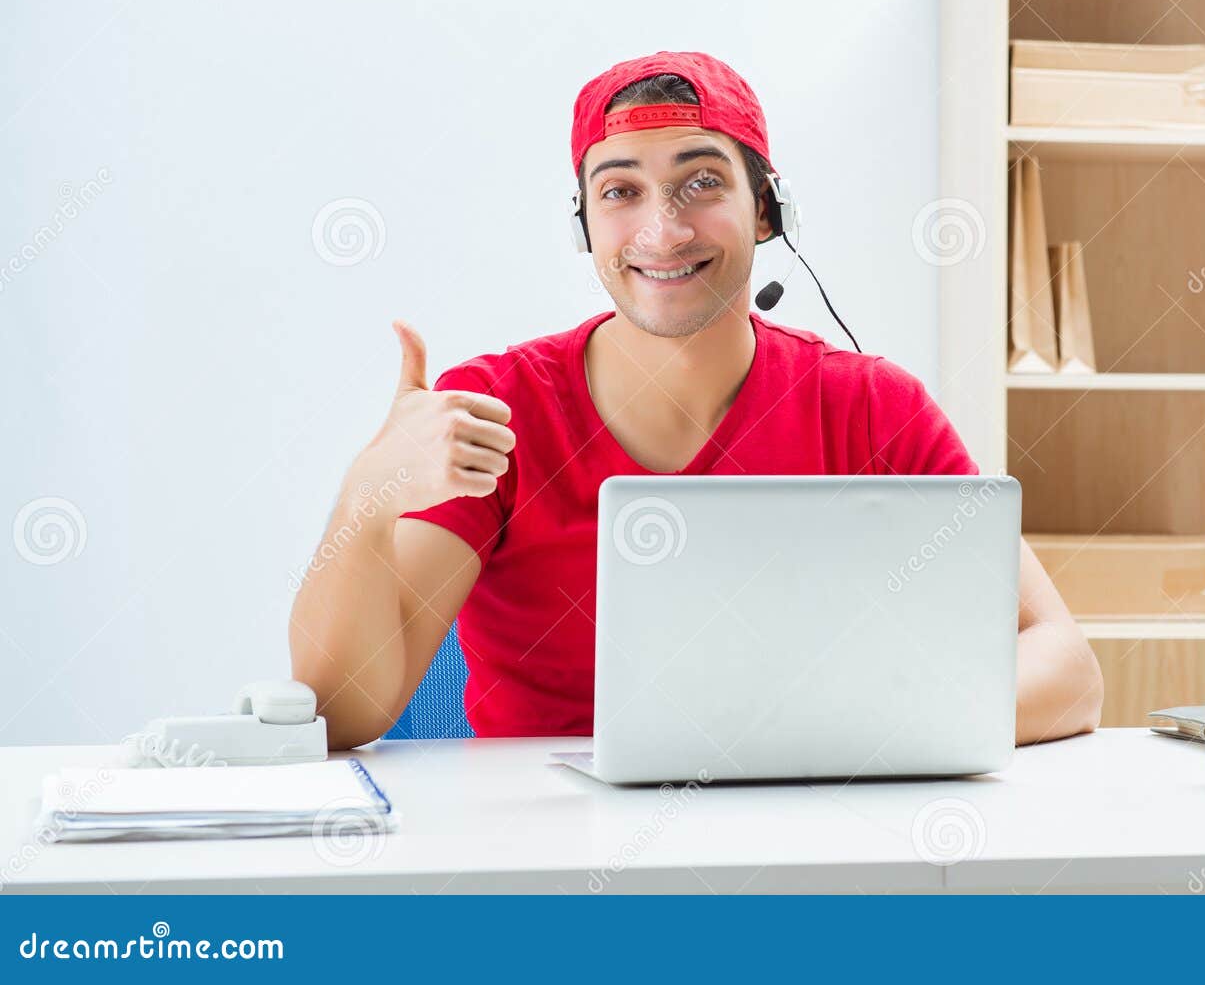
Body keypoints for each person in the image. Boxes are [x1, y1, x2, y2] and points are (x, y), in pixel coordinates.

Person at [289, 51, 1103, 750]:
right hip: (550, 863)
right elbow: (339, 712)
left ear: (765, 208)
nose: (663, 229)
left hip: (808, 846)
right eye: (620, 191)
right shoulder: (495, 410)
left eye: (700, 181)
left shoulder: (870, 407)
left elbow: (1065, 667)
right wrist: (368, 493)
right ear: (586, 224)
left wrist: (837, 734)